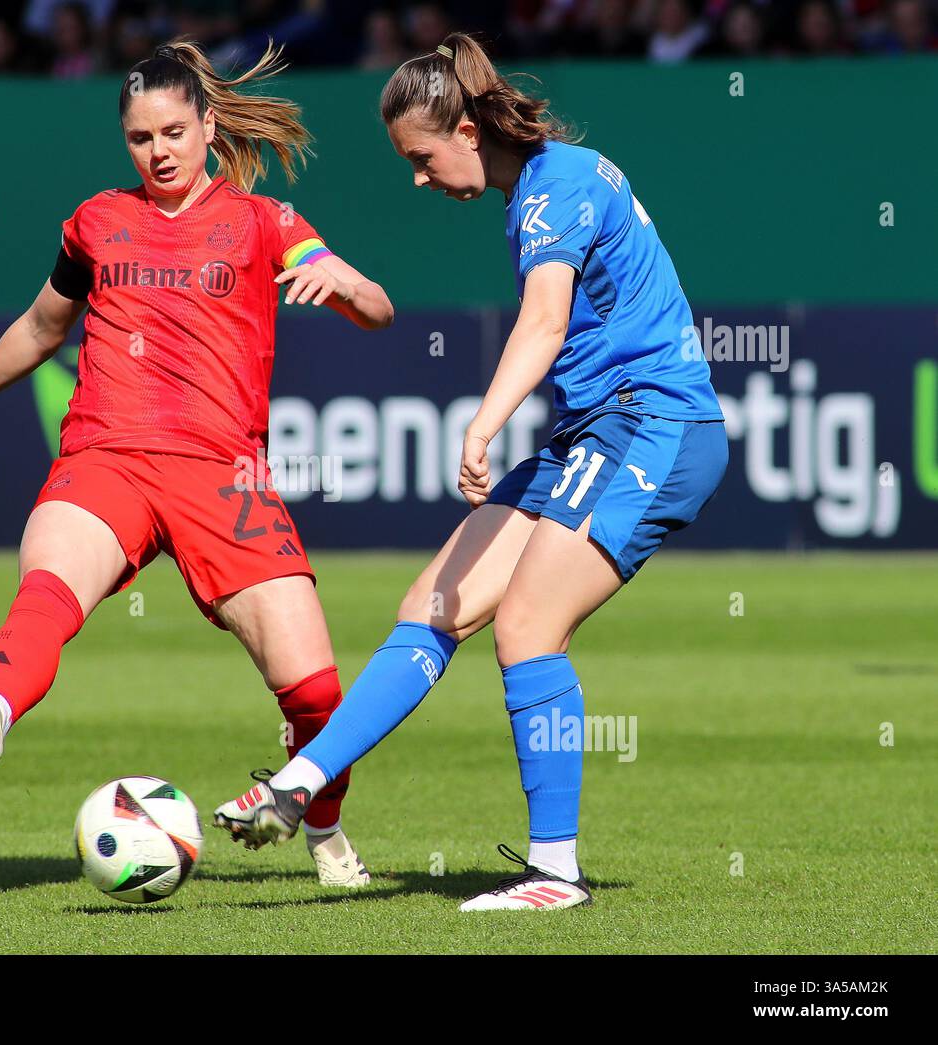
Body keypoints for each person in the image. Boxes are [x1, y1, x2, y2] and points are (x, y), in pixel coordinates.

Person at [213, 32, 727, 911]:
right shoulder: (546, 180)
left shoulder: (552, 190)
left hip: (653, 427)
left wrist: (481, 428)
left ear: (463, 128)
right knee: (434, 605)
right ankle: (301, 783)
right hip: (593, 436)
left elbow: (543, 323)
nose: (417, 177)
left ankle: (556, 874)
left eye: (419, 156)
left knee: (527, 625)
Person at [0, 40, 394, 888]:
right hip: (108, 453)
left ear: (208, 125)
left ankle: (324, 827)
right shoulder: (96, 222)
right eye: (140, 137)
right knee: (47, 592)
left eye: (172, 130)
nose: (158, 150)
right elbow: (39, 327)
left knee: (315, 692)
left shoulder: (262, 222)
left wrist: (345, 286)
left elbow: (379, 311)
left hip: (222, 476)